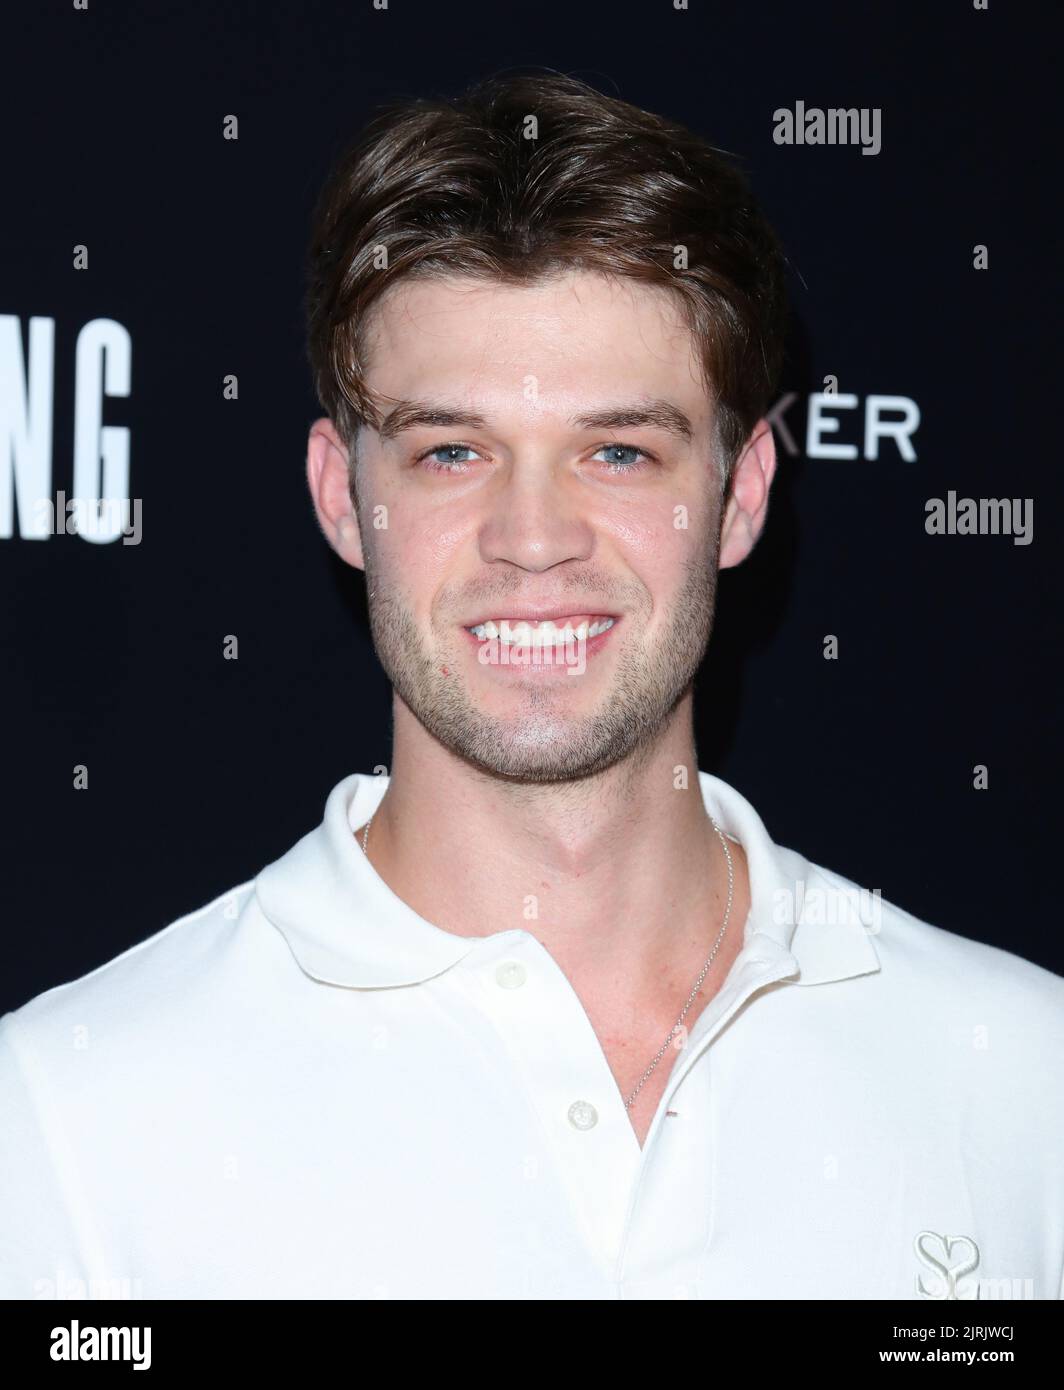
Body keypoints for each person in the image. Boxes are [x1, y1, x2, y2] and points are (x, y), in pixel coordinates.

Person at [2, 71, 1061, 1302]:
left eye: (617, 450)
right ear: (345, 496)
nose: (533, 535)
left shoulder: (1022, 1081)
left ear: (745, 489)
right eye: (451, 451)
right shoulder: (65, 1123)